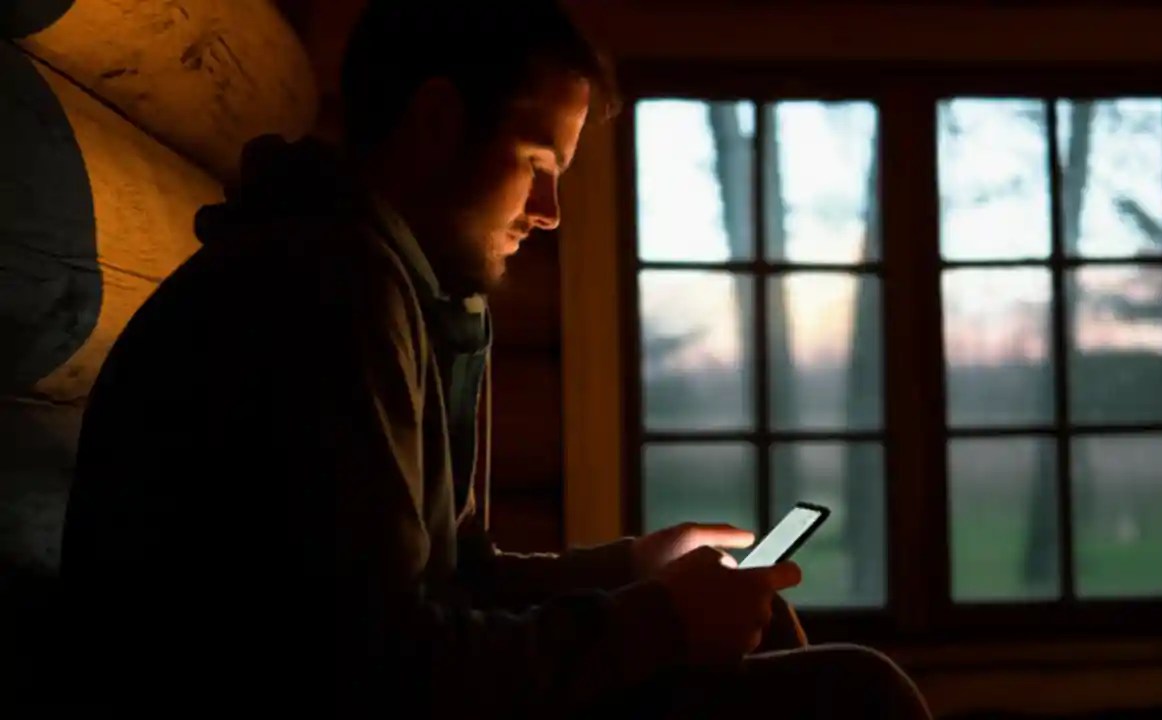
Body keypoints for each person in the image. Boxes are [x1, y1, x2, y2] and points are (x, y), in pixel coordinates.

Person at [60, 0, 930, 716]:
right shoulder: (320, 291)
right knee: (858, 696)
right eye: (537, 164)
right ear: (437, 123)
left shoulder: (389, 285)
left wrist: (632, 569)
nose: (550, 211)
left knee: (765, 631)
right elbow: (381, 668)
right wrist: (659, 621)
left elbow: (452, 578)